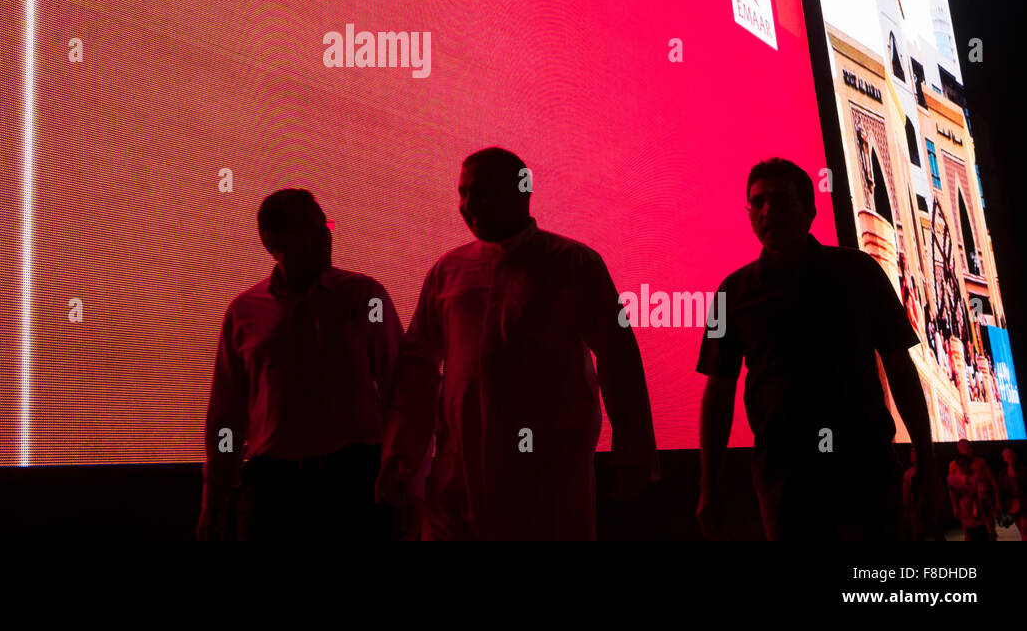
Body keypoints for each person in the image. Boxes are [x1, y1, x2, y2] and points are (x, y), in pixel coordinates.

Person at [376, 147, 659, 540]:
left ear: (524, 191)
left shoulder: (574, 265)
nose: (469, 204)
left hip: (548, 473)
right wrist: (400, 453)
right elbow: (418, 369)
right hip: (459, 477)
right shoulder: (447, 271)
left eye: (483, 192)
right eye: (463, 193)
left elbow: (618, 357)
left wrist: (633, 452)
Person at [696, 157, 940, 541]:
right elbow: (719, 392)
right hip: (783, 476)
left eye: (778, 200)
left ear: (809, 210)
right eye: (756, 203)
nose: (766, 211)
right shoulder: (732, 292)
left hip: (865, 467)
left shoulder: (860, 272)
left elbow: (900, 367)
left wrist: (926, 460)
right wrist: (708, 485)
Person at [197, 189, 403, 540]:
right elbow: (227, 417)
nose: (326, 235)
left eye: (324, 224)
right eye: (310, 226)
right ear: (273, 239)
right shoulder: (243, 312)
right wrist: (213, 503)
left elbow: (400, 387)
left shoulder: (365, 296)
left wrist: (405, 480)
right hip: (272, 489)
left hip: (353, 482)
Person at [997, 448, 1026, 540]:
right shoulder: (1003, 473)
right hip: (1011, 504)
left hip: (1024, 502)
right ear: (1004, 459)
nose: (1011, 458)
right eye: (1008, 456)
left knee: (1024, 528)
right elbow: (1001, 489)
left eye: (1012, 456)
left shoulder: (1023, 470)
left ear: (1015, 457)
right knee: (1021, 529)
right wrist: (1000, 504)